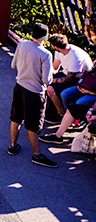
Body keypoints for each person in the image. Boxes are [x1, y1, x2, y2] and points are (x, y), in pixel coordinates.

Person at [8, 22, 57, 167]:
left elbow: (13, 65)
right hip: (35, 92)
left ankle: (13, 145)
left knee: (16, 118)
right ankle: (37, 155)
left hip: (19, 86)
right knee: (33, 125)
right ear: (45, 37)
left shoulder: (22, 45)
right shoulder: (45, 54)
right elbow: (46, 80)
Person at [39, 66, 96, 145]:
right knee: (65, 94)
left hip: (93, 93)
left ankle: (78, 121)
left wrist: (91, 92)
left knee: (80, 102)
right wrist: (82, 84)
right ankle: (58, 135)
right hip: (88, 87)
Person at [44, 33, 93, 122]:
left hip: (80, 79)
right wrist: (47, 76)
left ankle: (60, 114)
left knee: (51, 89)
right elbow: (55, 67)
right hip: (66, 73)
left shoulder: (75, 58)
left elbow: (68, 80)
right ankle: (50, 108)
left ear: (56, 47)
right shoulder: (60, 51)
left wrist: (51, 80)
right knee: (44, 83)